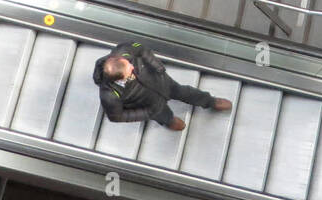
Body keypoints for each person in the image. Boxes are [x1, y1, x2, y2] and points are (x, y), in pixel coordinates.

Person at [93, 39, 232, 131]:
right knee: (162, 114)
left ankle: (210, 101)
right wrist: (147, 113)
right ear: (121, 78)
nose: (132, 65)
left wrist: (157, 66)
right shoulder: (109, 95)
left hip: (163, 83)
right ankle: (169, 121)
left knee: (186, 92)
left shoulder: (123, 52)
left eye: (128, 63)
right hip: (149, 105)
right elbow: (116, 116)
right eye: (129, 69)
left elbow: (141, 49)